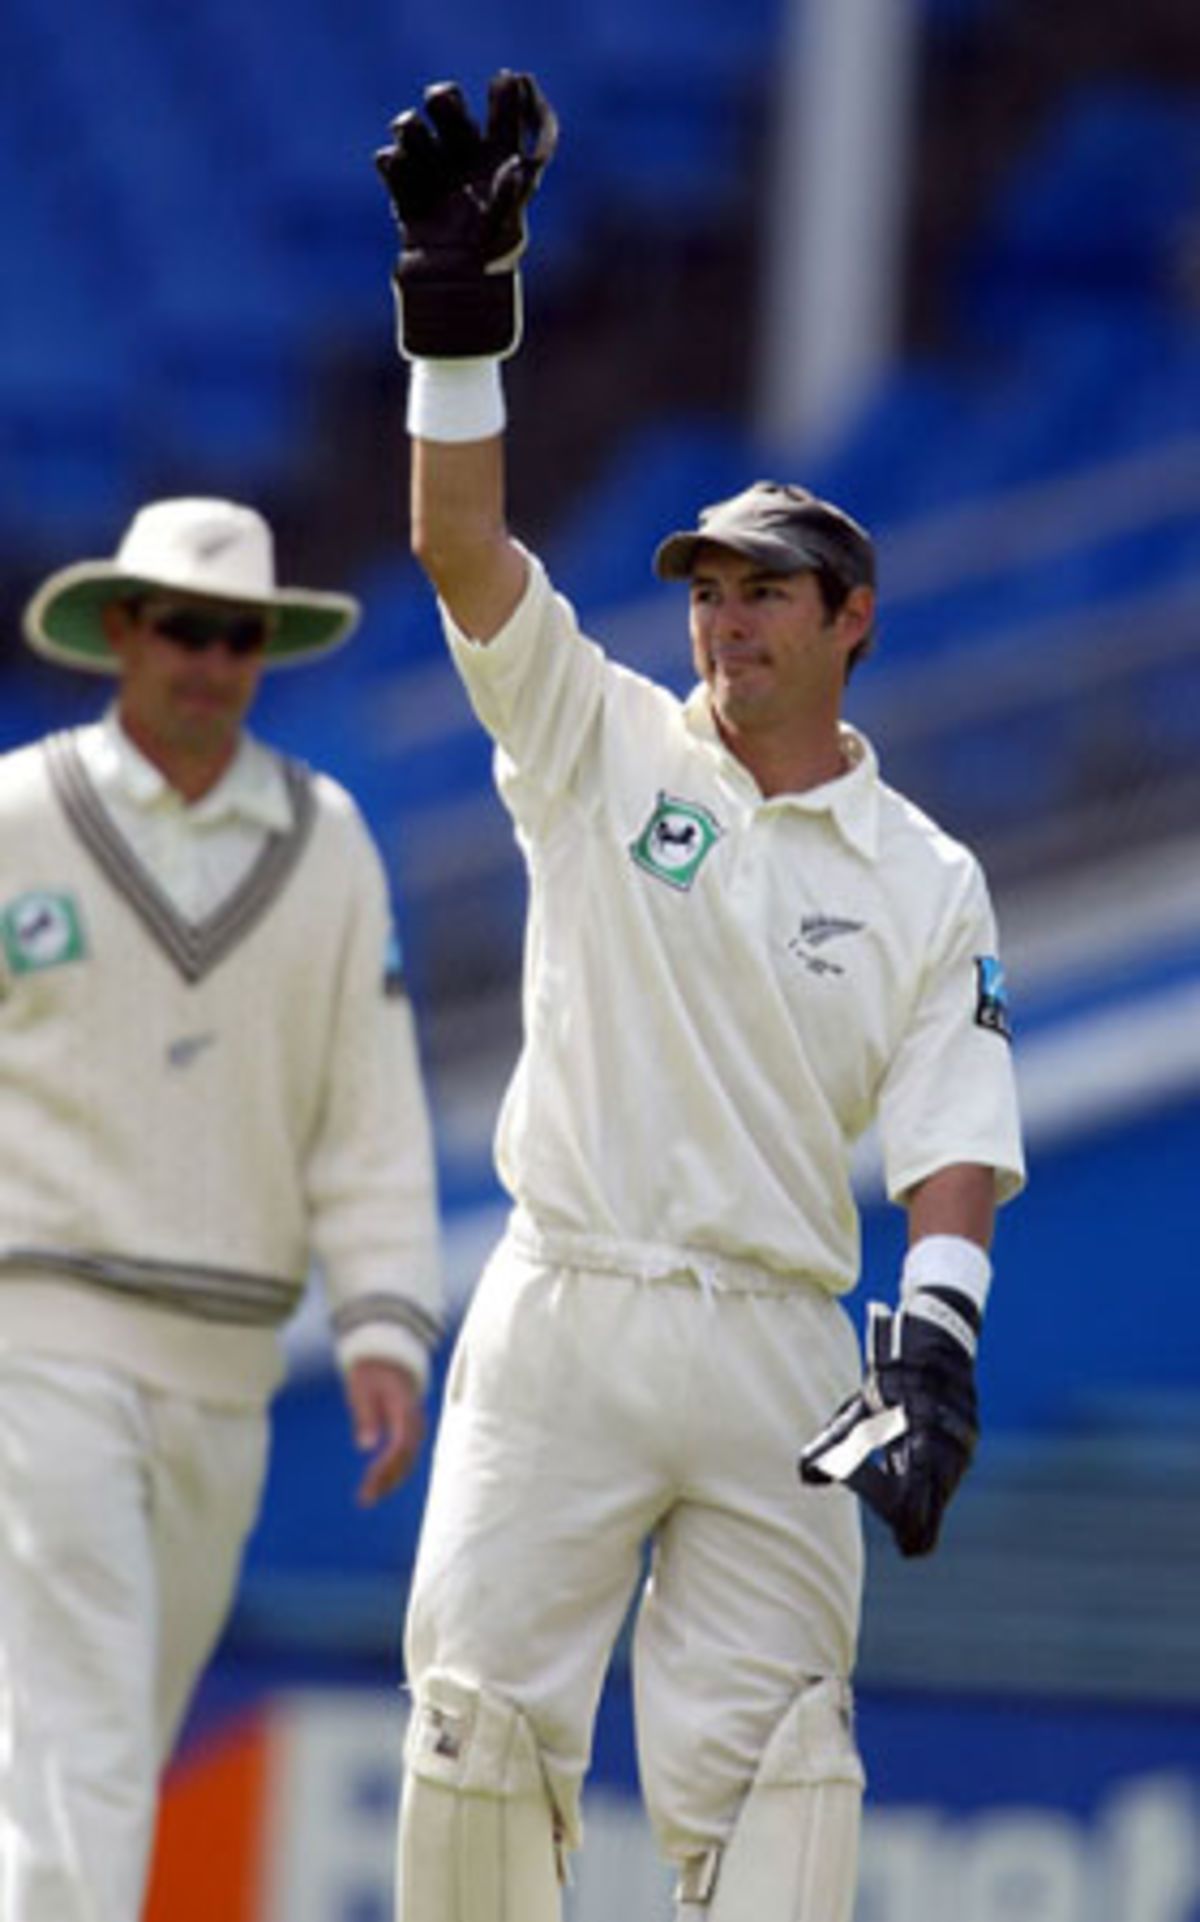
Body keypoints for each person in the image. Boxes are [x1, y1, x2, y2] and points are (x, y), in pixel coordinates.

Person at [375, 73, 1025, 1922]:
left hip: (775, 1343)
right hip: (566, 1304)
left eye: (767, 594)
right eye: (707, 593)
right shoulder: (600, 748)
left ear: (853, 618)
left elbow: (953, 1136)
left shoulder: (927, 874)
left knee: (786, 1786)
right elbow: (462, 553)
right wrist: (456, 323)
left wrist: (943, 1344)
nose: (725, 623)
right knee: (478, 1744)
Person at [0, 496, 444, 1922]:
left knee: (110, 1720)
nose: (207, 658)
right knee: (85, 1737)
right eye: (183, 627)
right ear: (121, 629)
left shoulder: (328, 843)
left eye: (236, 633)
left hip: (229, 1368)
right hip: (39, 1338)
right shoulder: (17, 817)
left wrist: (384, 1316)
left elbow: (367, 1099)